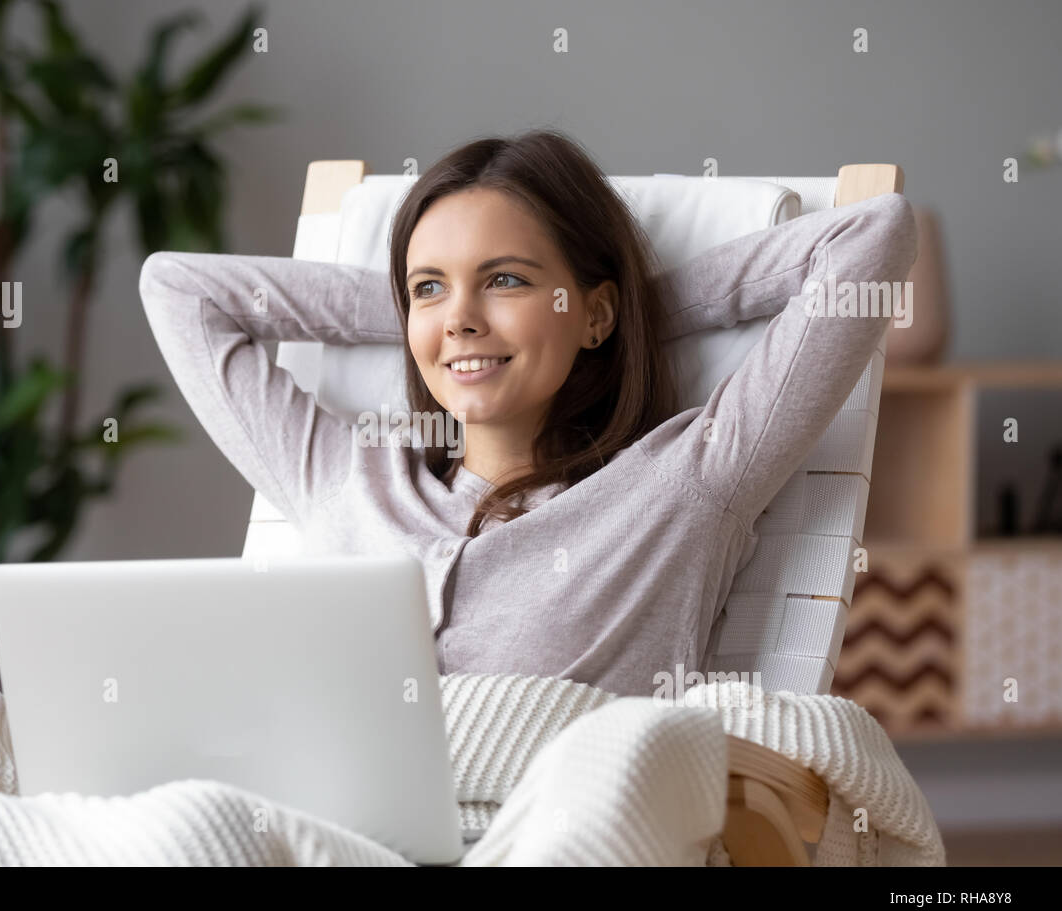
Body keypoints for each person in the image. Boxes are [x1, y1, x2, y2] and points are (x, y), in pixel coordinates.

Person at [138, 128, 919, 699]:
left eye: (506, 279)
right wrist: (447, 325)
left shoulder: (688, 483)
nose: (461, 317)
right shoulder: (340, 473)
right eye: (429, 286)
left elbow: (872, 235)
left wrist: (622, 316)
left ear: (596, 313)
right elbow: (178, 288)